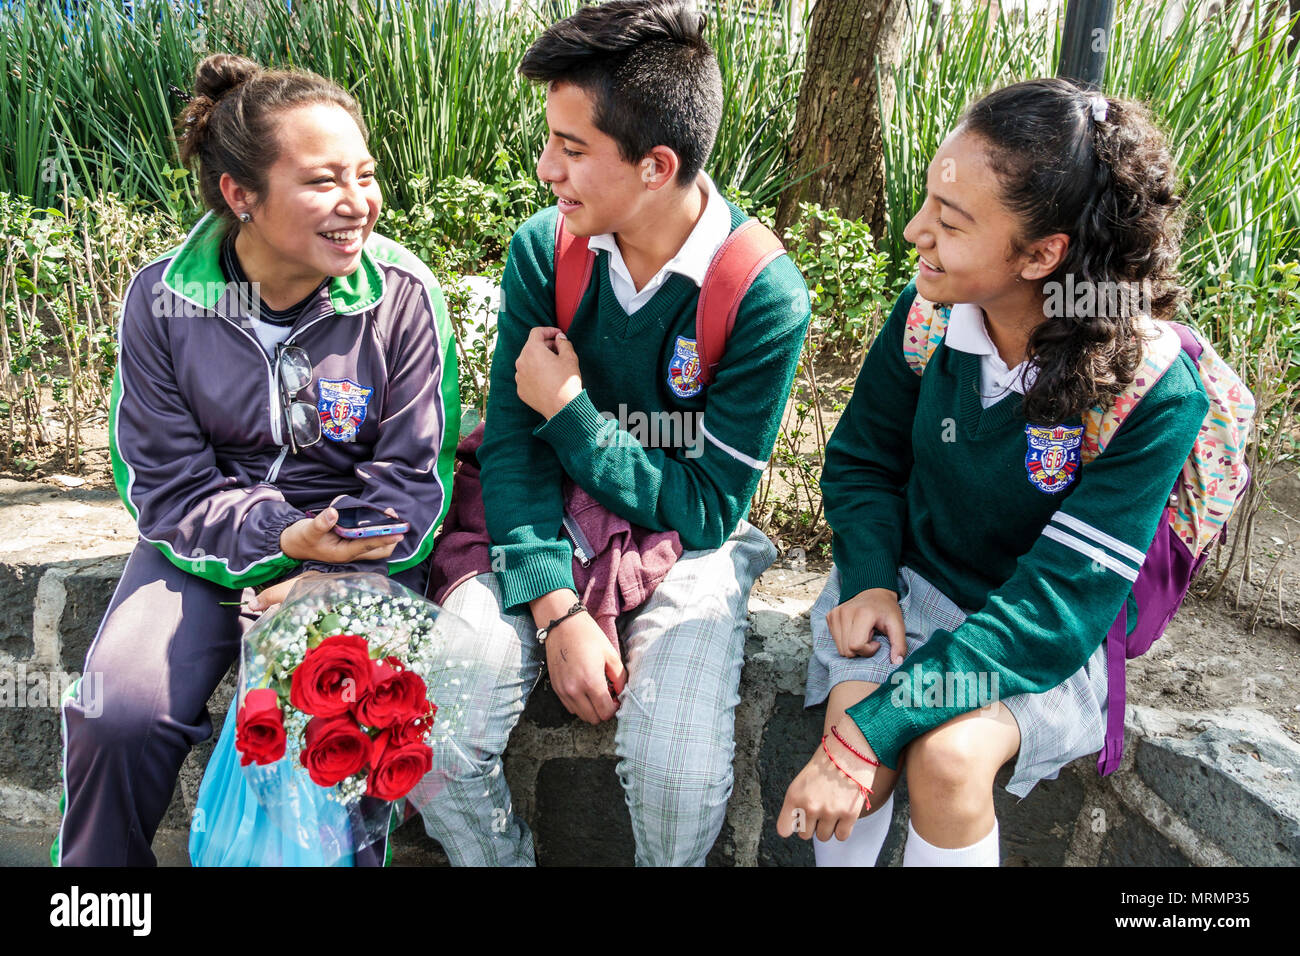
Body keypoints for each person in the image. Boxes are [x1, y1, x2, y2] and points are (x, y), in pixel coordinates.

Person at [777, 78, 1210, 867]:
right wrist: (871, 577)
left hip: (1039, 638)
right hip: (908, 585)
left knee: (944, 758)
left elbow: (1055, 608)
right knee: (855, 730)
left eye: (949, 222)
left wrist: (878, 727)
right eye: (927, 205)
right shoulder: (929, 316)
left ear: (1042, 254)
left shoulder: (1150, 390)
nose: (916, 233)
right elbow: (864, 461)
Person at [418, 0, 811, 866]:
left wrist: (575, 417)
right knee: (439, 728)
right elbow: (514, 444)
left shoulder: (758, 293)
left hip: (685, 537)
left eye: (572, 147)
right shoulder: (546, 250)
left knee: (675, 764)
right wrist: (557, 607)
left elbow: (707, 508)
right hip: (538, 513)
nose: (545, 166)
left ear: (655, 165)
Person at [55, 53, 459, 866]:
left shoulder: (403, 297)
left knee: (321, 726)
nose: (358, 205)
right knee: (116, 712)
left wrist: (326, 562)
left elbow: (415, 476)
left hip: (353, 554)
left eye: (365, 174)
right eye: (321, 182)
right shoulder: (163, 298)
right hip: (201, 543)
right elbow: (164, 487)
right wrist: (279, 539)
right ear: (240, 195)